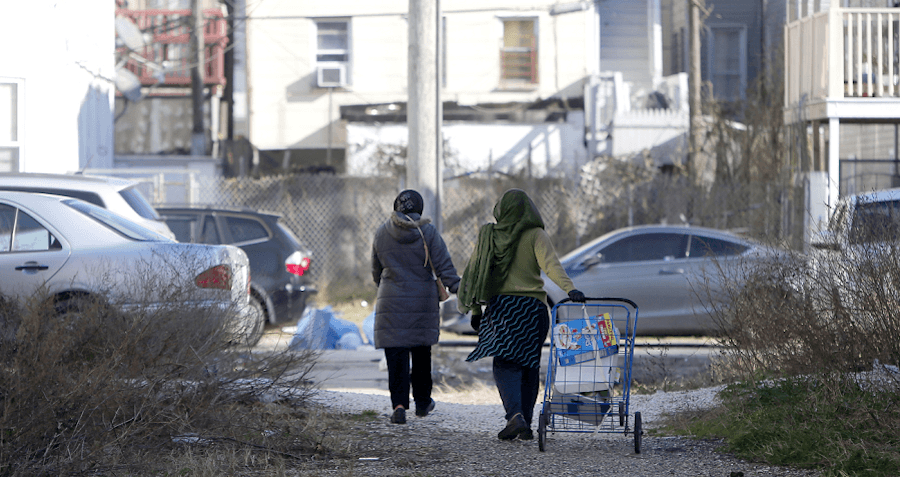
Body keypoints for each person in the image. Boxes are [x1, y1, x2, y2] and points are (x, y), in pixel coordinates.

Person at [458, 188, 585, 440]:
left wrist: (475, 309)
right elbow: (551, 266)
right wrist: (570, 289)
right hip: (533, 310)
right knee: (529, 364)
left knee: (505, 363)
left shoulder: (489, 237)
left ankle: (515, 416)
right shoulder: (536, 234)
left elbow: (474, 273)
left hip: (503, 309)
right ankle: (525, 421)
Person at [372, 189, 461, 424]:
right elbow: (444, 266)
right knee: (421, 353)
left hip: (390, 299)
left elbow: (375, 269)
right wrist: (458, 288)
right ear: (419, 209)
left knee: (396, 355)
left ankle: (399, 406)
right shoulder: (428, 232)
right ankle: (422, 403)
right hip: (421, 300)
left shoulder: (382, 232)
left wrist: (385, 288)